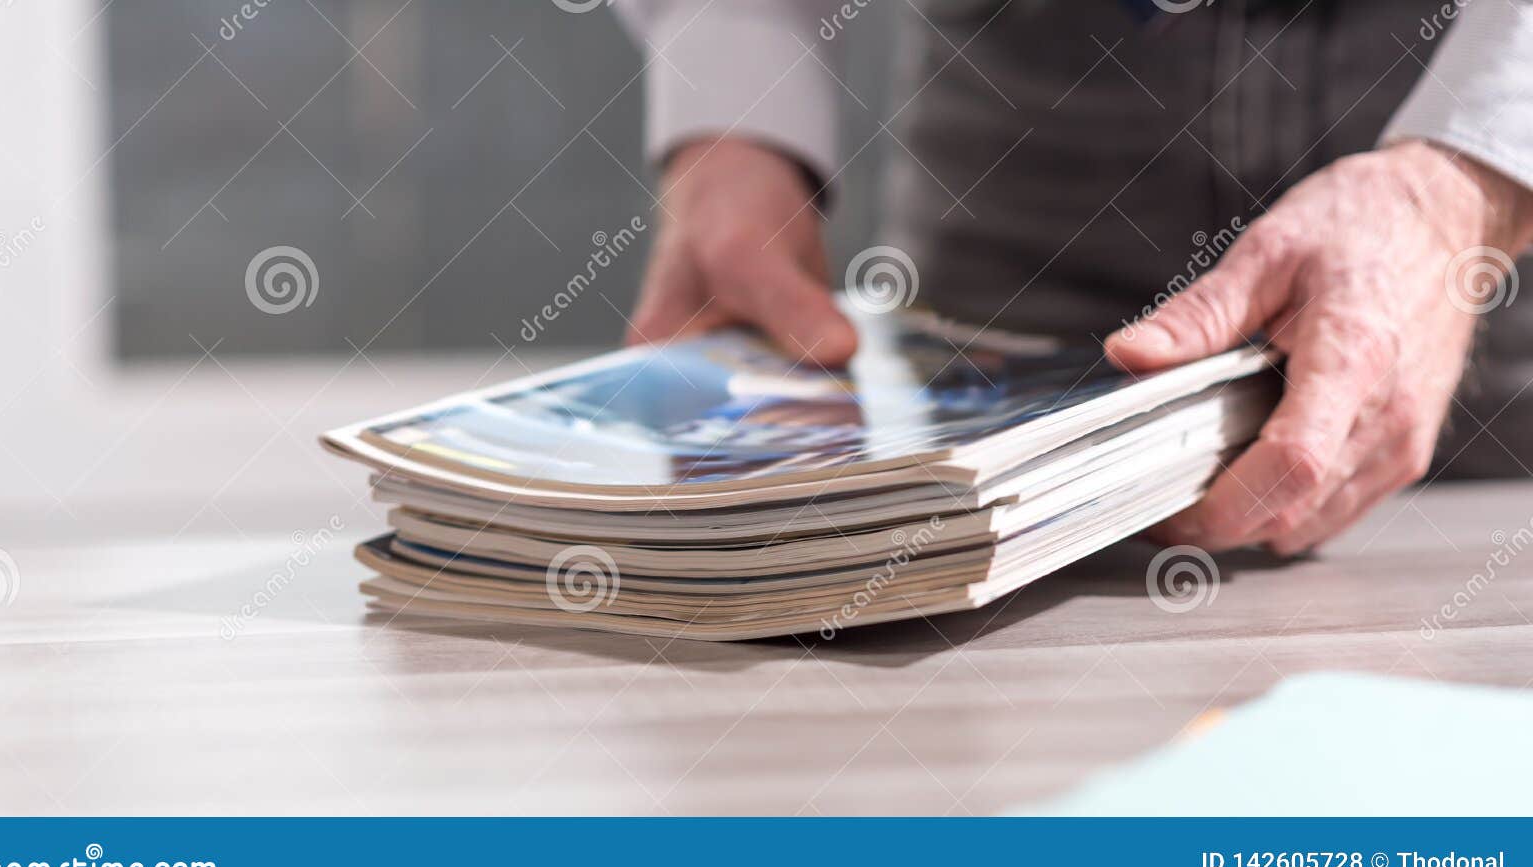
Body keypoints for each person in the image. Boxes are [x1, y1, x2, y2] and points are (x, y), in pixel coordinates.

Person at [612, 0, 1533, 555]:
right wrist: (736, 105)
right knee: (950, 579)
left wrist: (1464, 188)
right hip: (1026, 132)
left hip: (1474, 97)